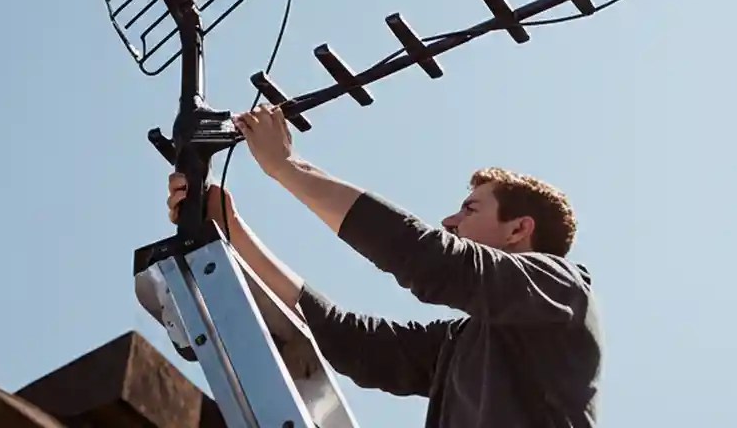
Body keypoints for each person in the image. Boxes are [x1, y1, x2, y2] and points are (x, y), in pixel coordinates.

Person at [166, 103, 602, 428]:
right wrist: (231, 230)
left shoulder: (560, 291)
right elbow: (347, 338)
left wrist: (287, 169)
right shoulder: (463, 342)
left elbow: (427, 257)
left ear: (518, 230)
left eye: (471, 209)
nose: (450, 221)